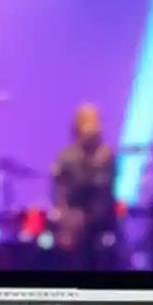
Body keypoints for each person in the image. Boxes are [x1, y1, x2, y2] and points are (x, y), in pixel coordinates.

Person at [52, 103, 118, 269]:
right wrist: (65, 214)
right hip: (71, 218)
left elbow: (104, 194)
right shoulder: (66, 157)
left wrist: (86, 218)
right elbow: (59, 189)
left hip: (98, 223)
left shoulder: (106, 156)